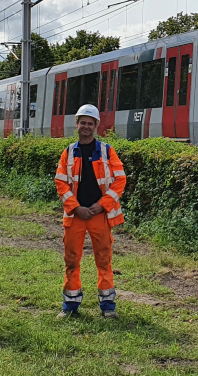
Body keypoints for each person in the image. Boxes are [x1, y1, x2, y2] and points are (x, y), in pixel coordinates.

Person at [54, 104, 126, 319]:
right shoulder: (67, 152)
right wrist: (76, 208)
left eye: (90, 123)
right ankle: (70, 304)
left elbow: (120, 179)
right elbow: (61, 182)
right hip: (76, 215)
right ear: (77, 124)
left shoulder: (106, 151)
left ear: (96, 126)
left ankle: (107, 305)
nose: (85, 126)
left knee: (104, 259)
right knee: (71, 259)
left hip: (99, 215)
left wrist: (101, 205)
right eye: (82, 122)